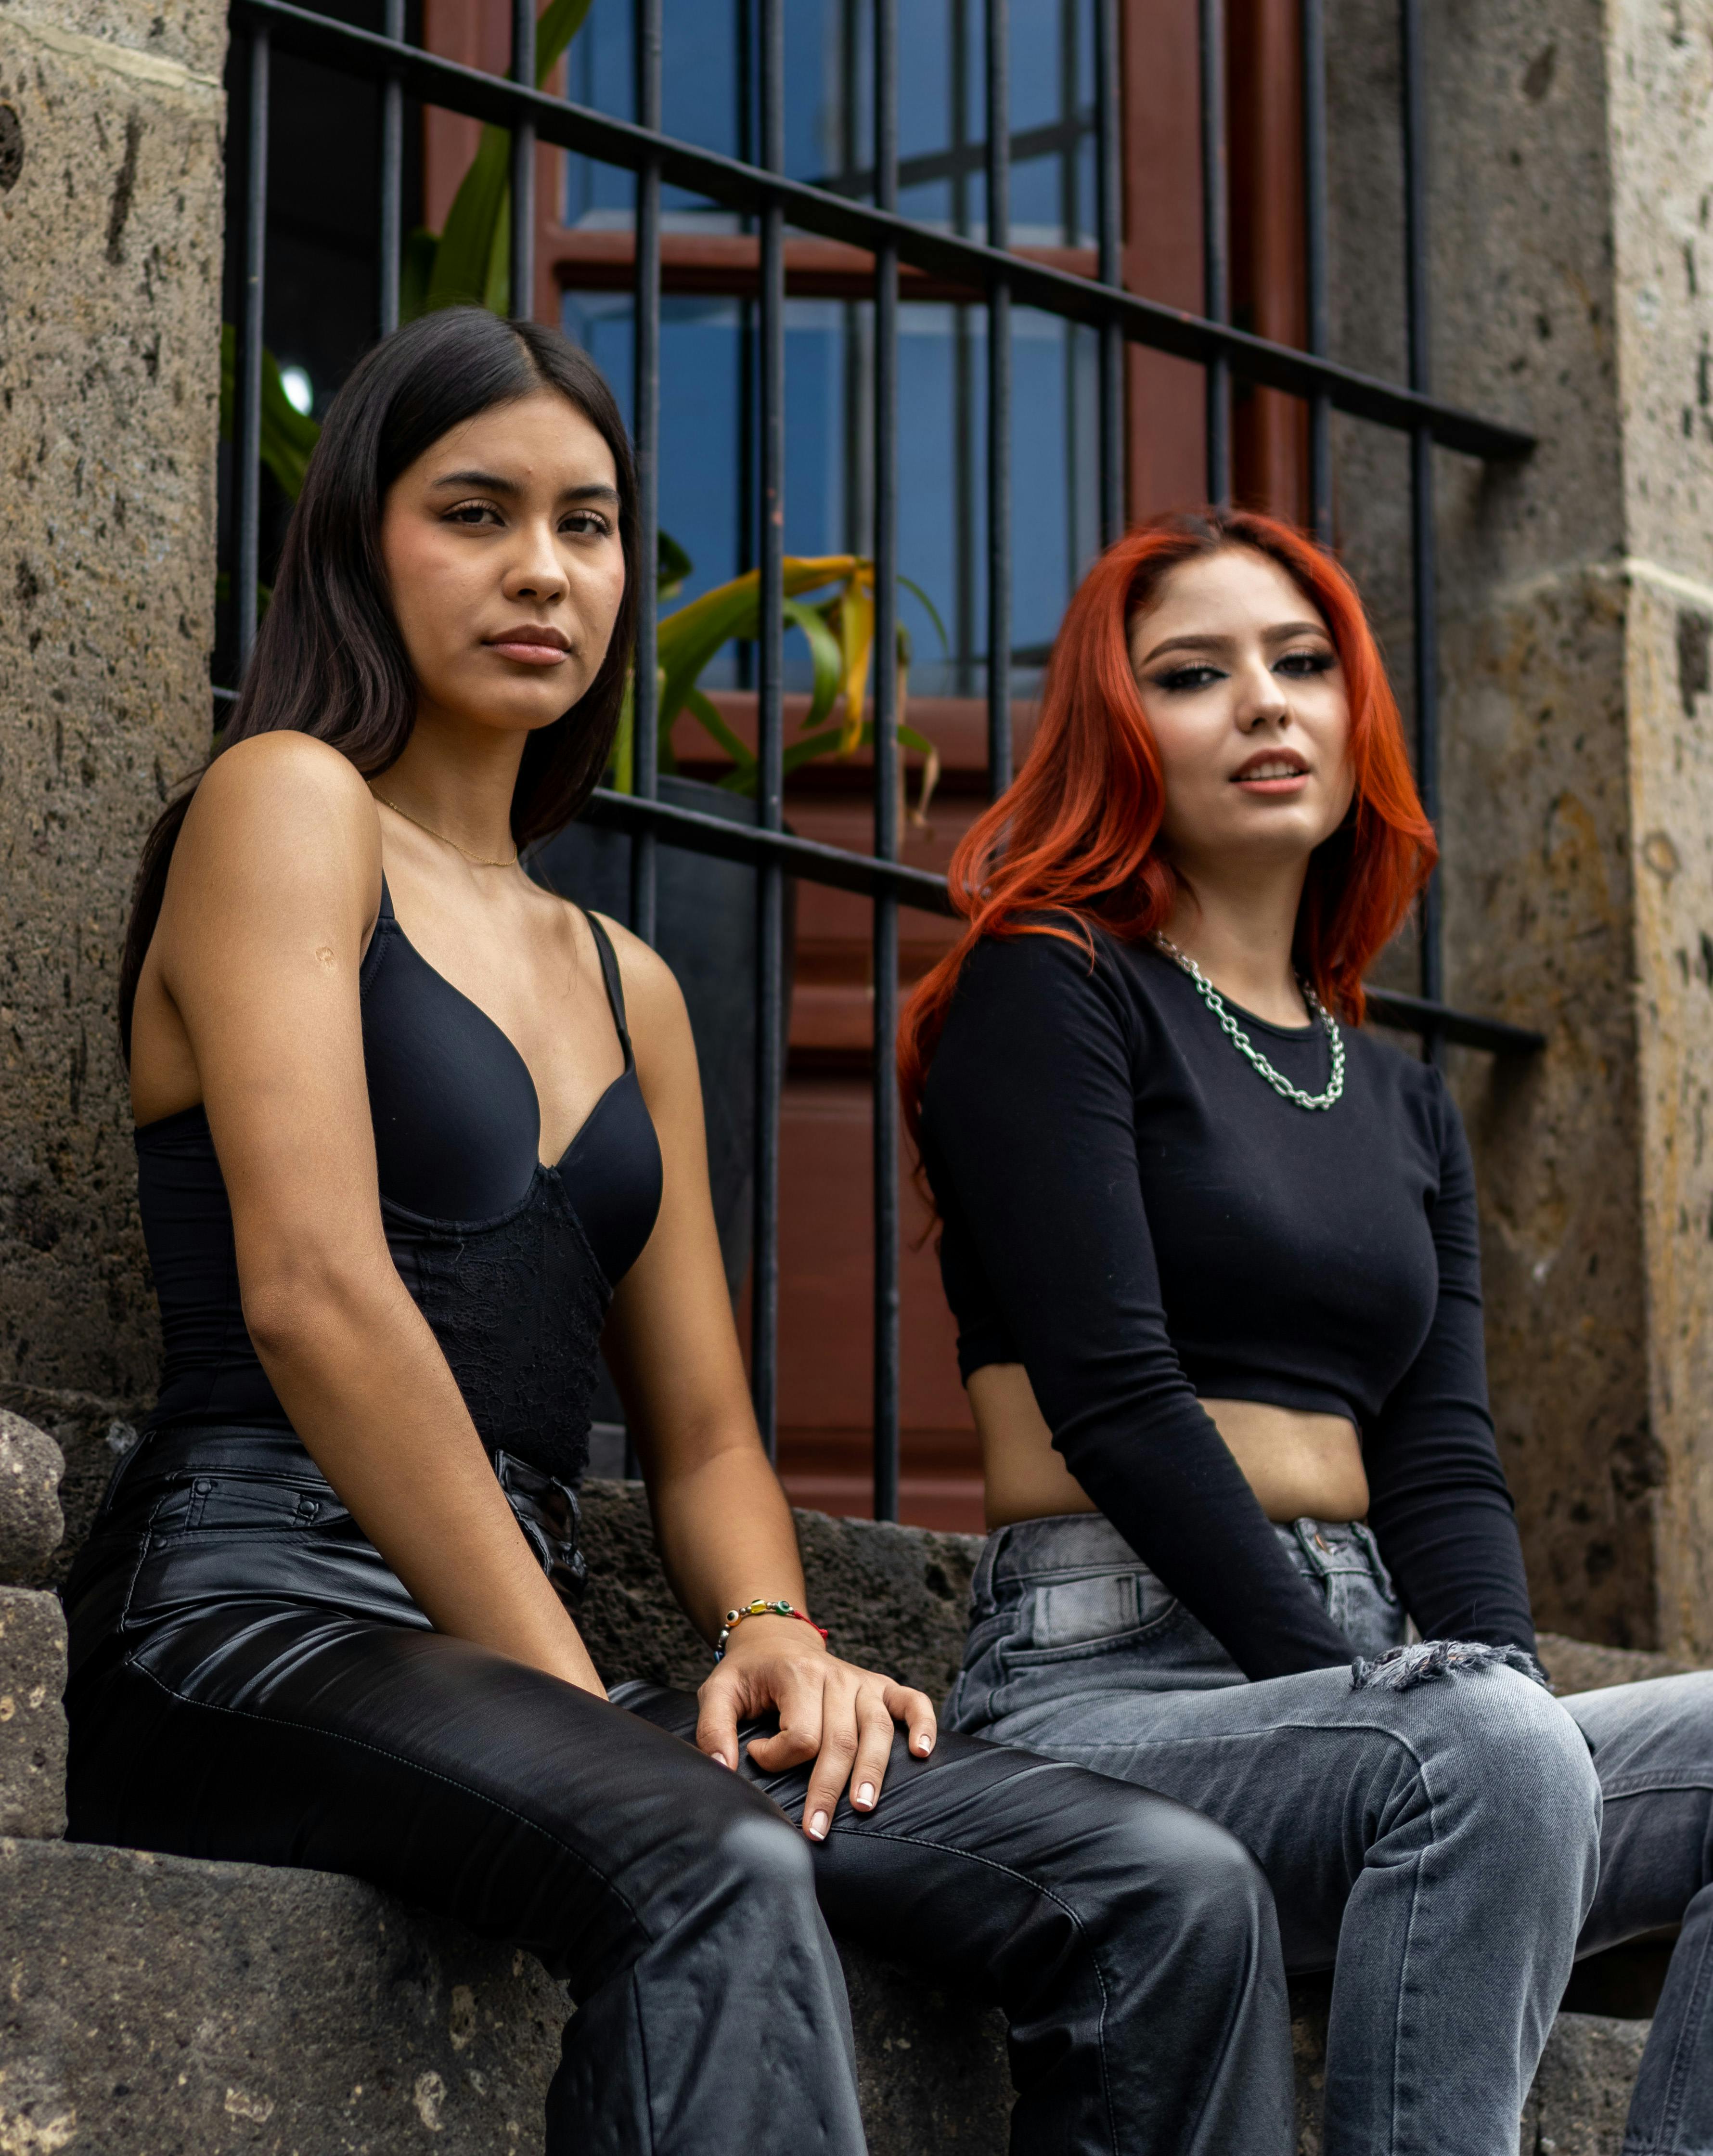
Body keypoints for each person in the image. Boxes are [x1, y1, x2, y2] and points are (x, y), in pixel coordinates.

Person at [63, 312, 1303, 2156]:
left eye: (586, 523)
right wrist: (583, 1711)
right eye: (474, 513)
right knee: (715, 1850)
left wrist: (780, 1629)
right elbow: (317, 1296)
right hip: (254, 1618)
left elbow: (710, 1435)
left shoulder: (626, 976)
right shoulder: (285, 807)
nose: (541, 570)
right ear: (357, 544)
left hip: (509, 1656)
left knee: (1177, 1891)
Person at [903, 506, 1713, 2156]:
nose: (1266, 705)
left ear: (1357, 717)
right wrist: (1396, 1709)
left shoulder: (1397, 1093)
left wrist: (1492, 1703)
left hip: (1385, 1687)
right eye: (1195, 677)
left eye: (1303, 663)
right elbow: (1115, 1394)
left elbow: (1445, 1457)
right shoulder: (1047, 984)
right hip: (1109, 1691)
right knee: (1481, 1752)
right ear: (1121, 736)